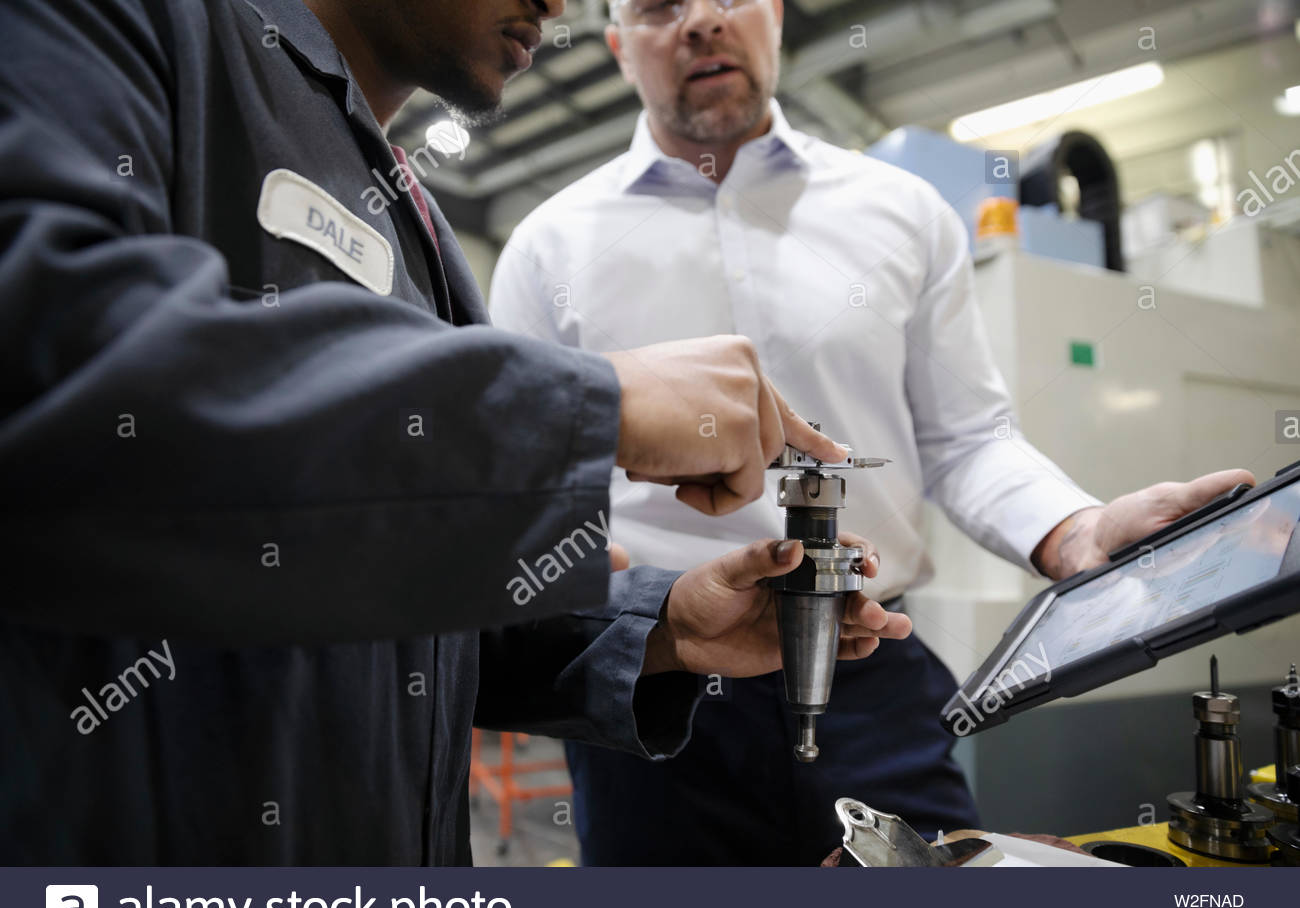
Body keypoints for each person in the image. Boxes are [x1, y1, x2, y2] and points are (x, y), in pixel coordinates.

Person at [0, 0, 912, 864]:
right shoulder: (128, 29)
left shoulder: (414, 219)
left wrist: (662, 625)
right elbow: (62, 378)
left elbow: (405, 584)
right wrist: (595, 406)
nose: (558, 6)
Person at [489, 0, 1255, 864]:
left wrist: (1071, 529)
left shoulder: (902, 211)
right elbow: (523, 494)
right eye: (661, 5)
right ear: (620, 47)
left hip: (874, 664)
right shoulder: (547, 248)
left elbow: (967, 437)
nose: (701, 19)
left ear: (775, 14)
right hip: (659, 687)